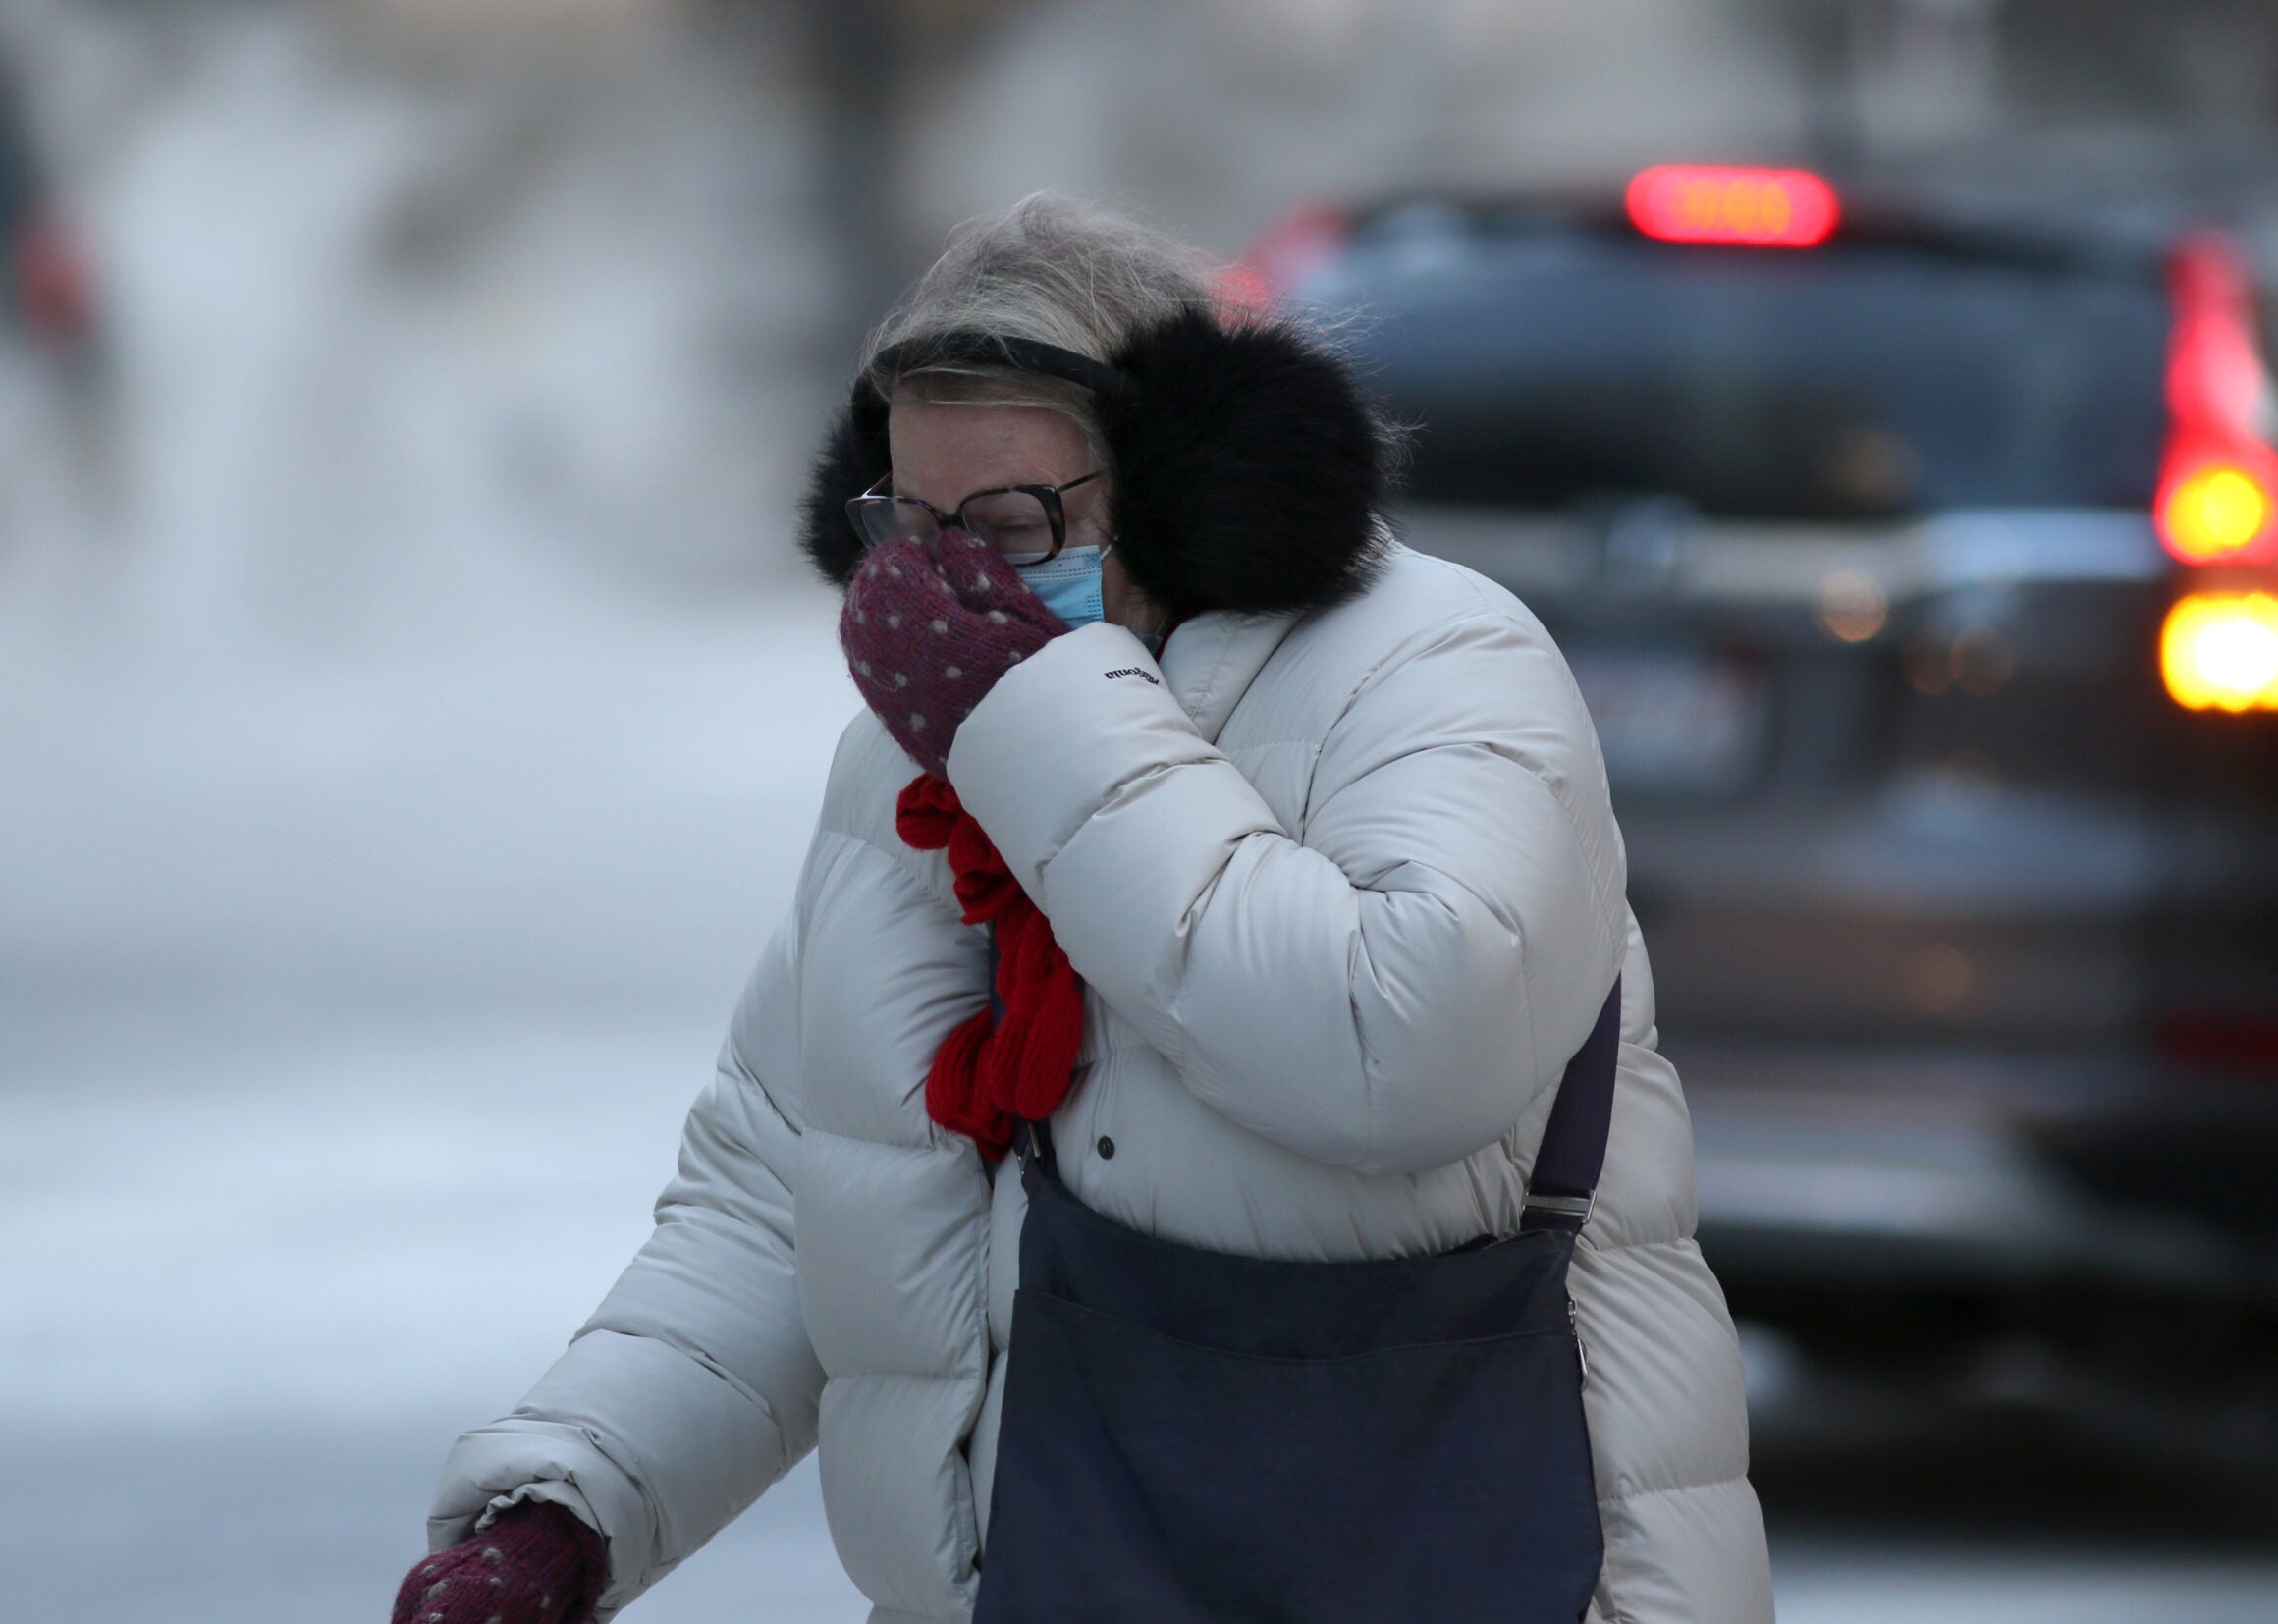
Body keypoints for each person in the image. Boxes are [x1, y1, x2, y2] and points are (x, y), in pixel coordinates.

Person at [393, 193, 1771, 1624]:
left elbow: (1402, 1046)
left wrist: (1037, 726)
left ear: (1174, 488)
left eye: (1010, 520)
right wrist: (567, 1504)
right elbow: (789, 1188)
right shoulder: (925, 762)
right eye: (912, 526)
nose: (954, 580)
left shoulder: (1435, 665)